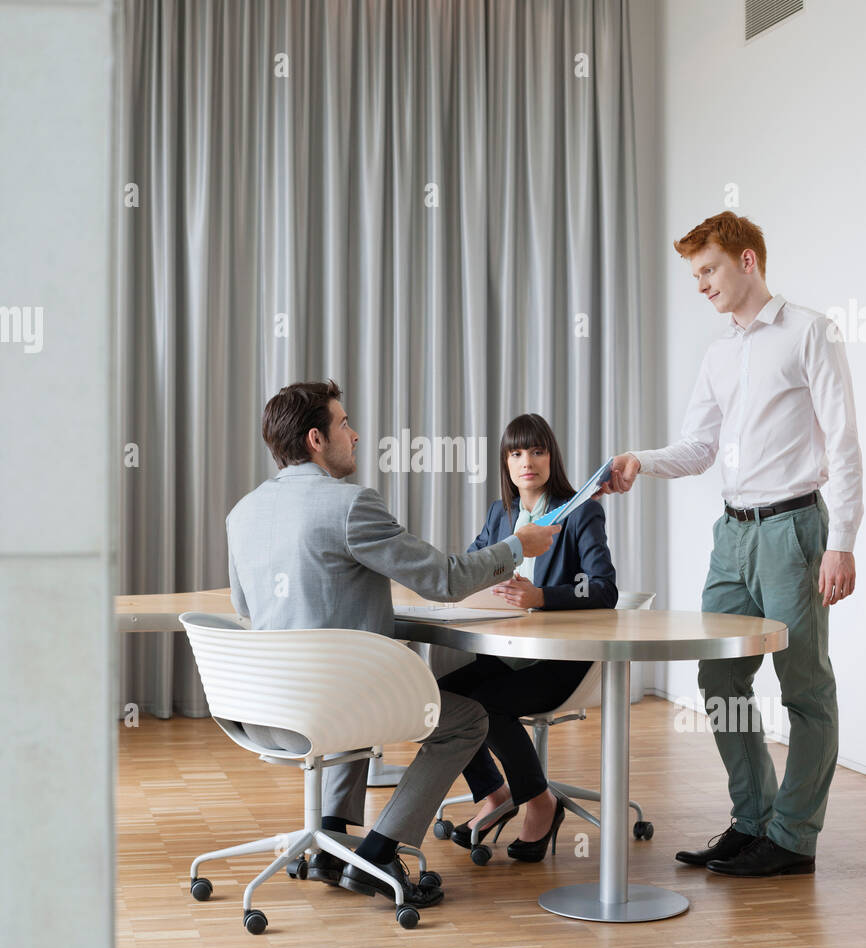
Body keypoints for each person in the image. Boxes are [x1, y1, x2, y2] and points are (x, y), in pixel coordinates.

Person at [225, 379, 560, 911]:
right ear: (316, 439)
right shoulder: (352, 506)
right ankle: (381, 850)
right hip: (328, 708)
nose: (355, 435)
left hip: (263, 711)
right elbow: (445, 580)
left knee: (347, 682)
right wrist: (517, 545)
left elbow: (247, 609)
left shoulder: (241, 514)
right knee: (464, 718)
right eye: (343, 424)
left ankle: (333, 846)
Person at [598, 212, 862, 878]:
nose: (701, 284)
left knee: (803, 686)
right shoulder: (720, 353)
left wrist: (842, 542)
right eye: (694, 275)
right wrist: (639, 460)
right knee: (718, 674)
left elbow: (846, 444)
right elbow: (699, 448)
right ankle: (754, 820)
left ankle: (793, 837)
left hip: (795, 529)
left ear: (747, 262)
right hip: (733, 535)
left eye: (708, 269)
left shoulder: (810, 332)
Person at [438, 413, 617, 862]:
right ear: (505, 462)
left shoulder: (581, 511)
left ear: (551, 457)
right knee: (440, 699)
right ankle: (495, 794)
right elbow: (472, 563)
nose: (527, 461)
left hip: (560, 661)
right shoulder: (502, 513)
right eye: (516, 453)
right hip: (508, 650)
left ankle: (540, 801)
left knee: (487, 705)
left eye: (537, 451)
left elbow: (605, 588)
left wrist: (541, 595)